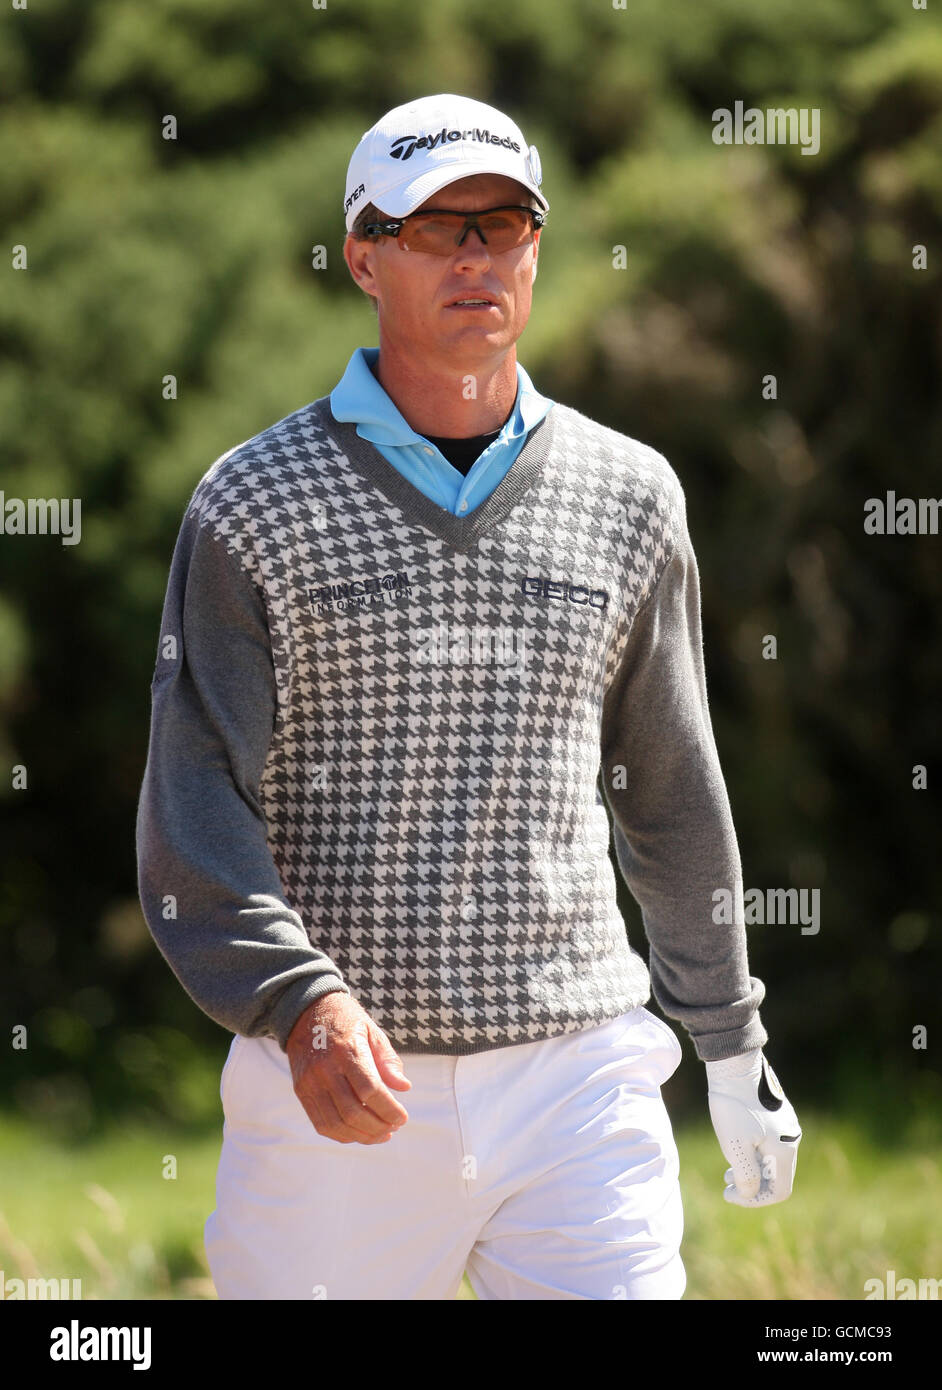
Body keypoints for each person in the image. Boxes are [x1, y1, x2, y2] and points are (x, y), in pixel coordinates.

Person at [135, 93, 801, 1301]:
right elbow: (194, 803)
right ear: (362, 255)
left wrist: (731, 1037)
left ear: (538, 248)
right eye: (435, 227)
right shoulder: (250, 504)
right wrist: (298, 1005)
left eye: (503, 223)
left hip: (583, 1077)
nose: (476, 253)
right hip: (338, 1085)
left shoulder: (631, 494)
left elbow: (670, 790)